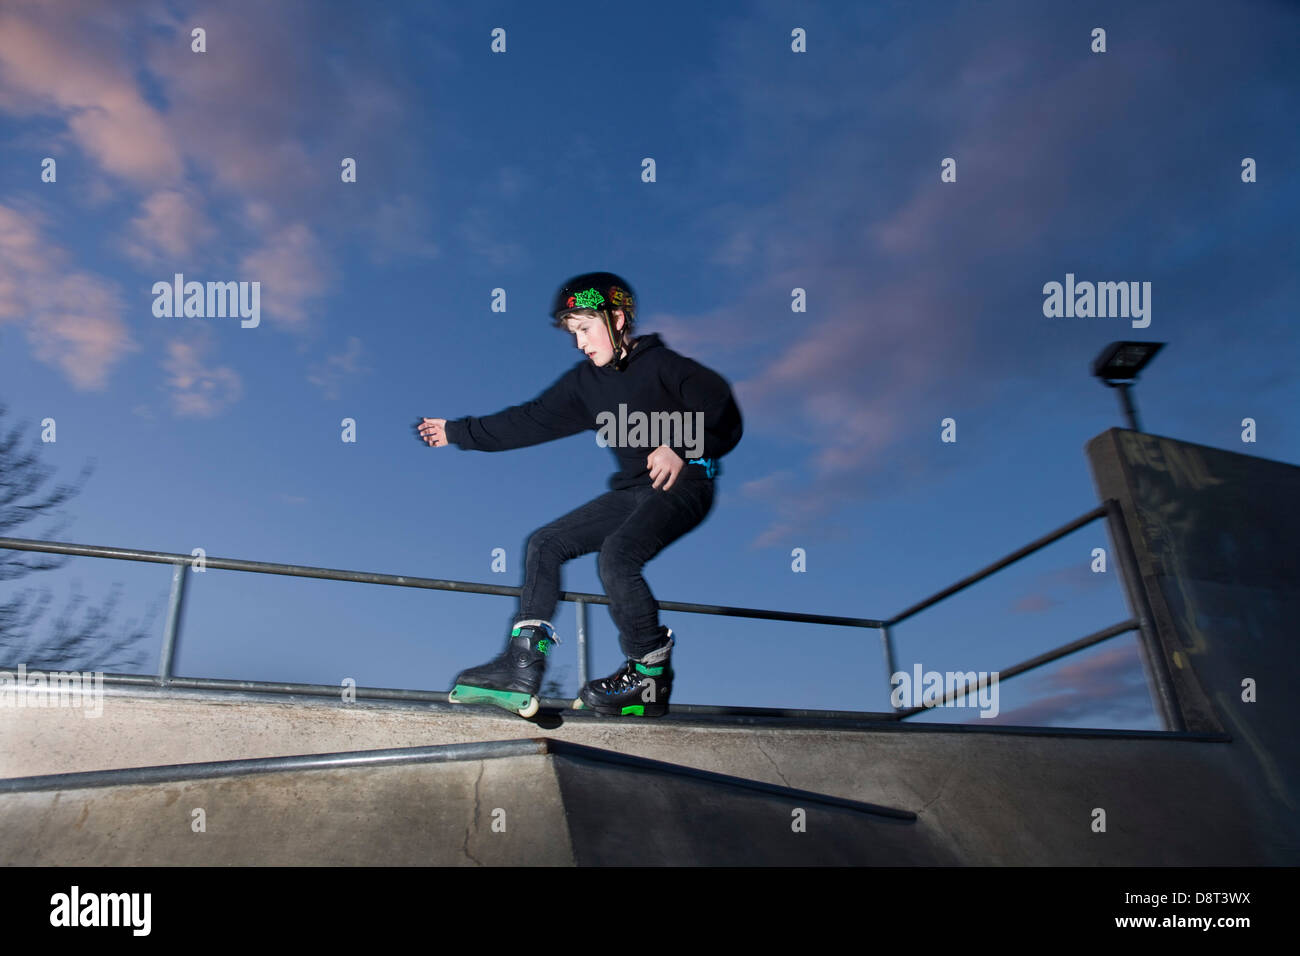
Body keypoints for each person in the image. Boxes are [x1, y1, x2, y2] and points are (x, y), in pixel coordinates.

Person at [416, 271, 743, 718]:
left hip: (685, 485)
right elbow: (528, 420)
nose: (581, 343)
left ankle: (649, 678)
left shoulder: (665, 367)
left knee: (617, 556)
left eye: (586, 329)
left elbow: (722, 407)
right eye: (573, 333)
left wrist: (684, 446)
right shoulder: (585, 386)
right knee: (546, 543)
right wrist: (458, 431)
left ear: (618, 319)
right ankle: (523, 661)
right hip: (632, 492)